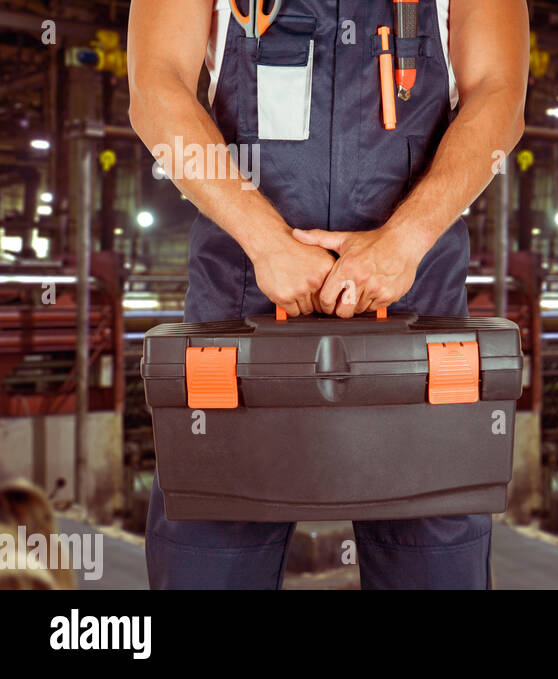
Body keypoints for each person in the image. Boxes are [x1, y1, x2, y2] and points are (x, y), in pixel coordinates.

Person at [127, 0, 528, 589]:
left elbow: (499, 95)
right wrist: (266, 244)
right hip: (242, 292)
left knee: (432, 546)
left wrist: (403, 242)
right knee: (210, 544)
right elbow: (156, 88)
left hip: (414, 292)